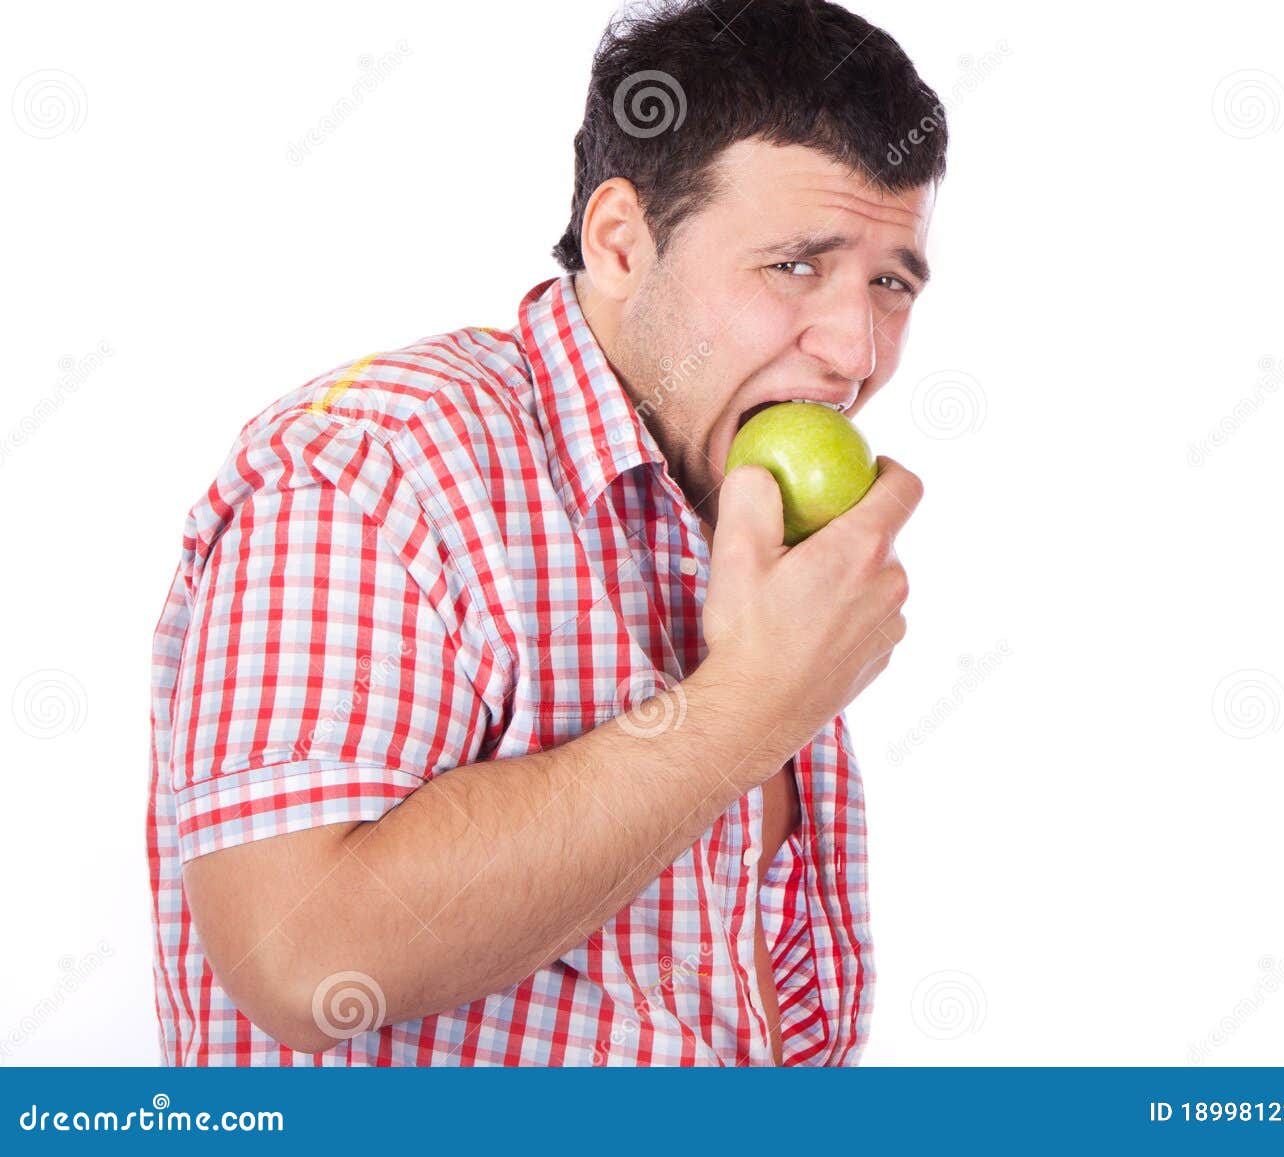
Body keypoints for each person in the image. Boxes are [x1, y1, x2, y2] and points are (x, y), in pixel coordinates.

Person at [147, 0, 945, 1066]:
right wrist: (753, 708)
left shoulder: (736, 518)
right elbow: (300, 954)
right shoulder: (374, 467)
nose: (854, 349)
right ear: (621, 241)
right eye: (795, 265)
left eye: (888, 281)